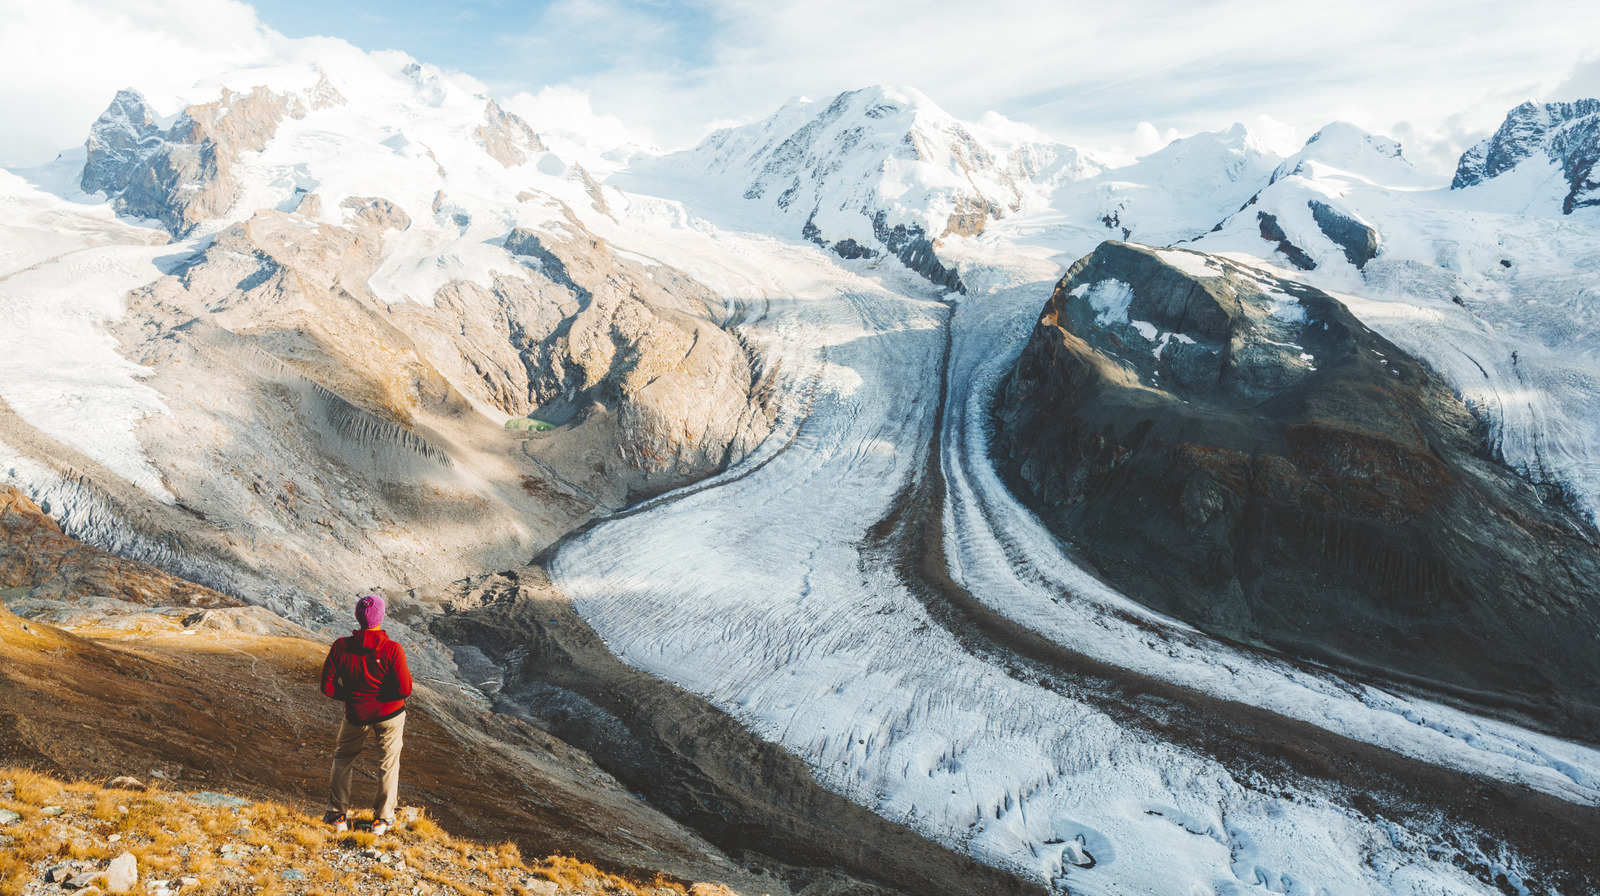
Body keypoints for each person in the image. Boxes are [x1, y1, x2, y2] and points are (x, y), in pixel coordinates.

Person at [320, 594, 413, 835]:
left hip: (355, 714)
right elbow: (405, 689)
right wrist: (382, 697)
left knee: (343, 759)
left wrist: (353, 696)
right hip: (390, 714)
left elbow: (327, 687)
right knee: (388, 762)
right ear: (381, 617)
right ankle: (382, 819)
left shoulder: (341, 647)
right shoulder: (392, 649)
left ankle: (336, 815)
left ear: (357, 618)